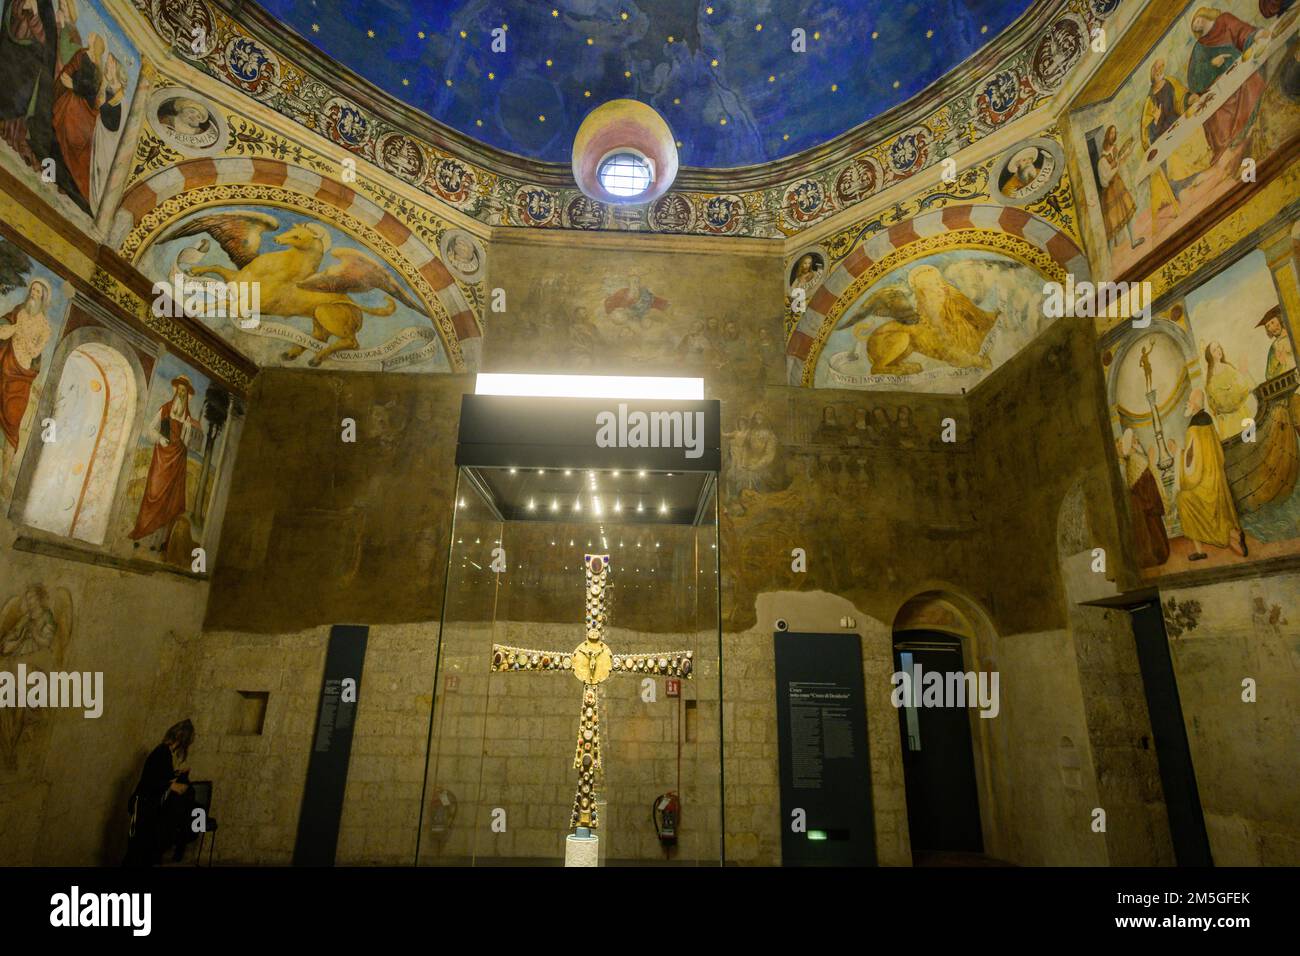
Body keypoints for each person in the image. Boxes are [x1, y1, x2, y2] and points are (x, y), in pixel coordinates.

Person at [1168, 387, 1247, 561]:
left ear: (1196, 404)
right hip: (1215, 481)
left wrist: (1176, 453)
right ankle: (1232, 535)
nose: (1187, 403)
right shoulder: (1208, 421)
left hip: (1203, 484)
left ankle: (1222, 539)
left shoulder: (1194, 428)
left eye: (1190, 400)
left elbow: (1192, 464)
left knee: (1183, 499)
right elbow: (1216, 453)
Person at [1187, 6, 1270, 164]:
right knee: (1213, 112)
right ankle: (1233, 145)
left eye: (1197, 19)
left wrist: (1256, 36)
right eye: (1194, 25)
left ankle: (1252, 125)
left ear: (1204, 14)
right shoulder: (1199, 47)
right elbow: (1194, 79)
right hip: (1219, 87)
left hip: (1239, 70)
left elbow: (1241, 32)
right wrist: (1212, 64)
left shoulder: (1224, 20)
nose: (1196, 24)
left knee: (1248, 82)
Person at [129, 375, 200, 551]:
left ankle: (160, 542)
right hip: (162, 456)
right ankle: (144, 535)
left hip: (178, 459)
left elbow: (186, 440)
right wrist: (160, 439)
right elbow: (149, 430)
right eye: (180, 391)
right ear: (176, 392)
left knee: (171, 499)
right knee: (155, 492)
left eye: (184, 392)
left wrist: (187, 439)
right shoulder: (165, 409)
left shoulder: (187, 417)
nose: (182, 394)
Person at [124, 719, 196, 866]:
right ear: (182, 740)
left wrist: (176, 774)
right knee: (136, 851)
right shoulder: (162, 752)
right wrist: (173, 786)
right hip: (143, 806)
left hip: (149, 807)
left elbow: (161, 775)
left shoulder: (165, 752)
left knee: (145, 852)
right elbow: (153, 781)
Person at [0, 278, 52, 482]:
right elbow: (3, 329)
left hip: (21, 376)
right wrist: (11, 330)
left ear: (43, 298)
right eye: (32, 290)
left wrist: (21, 336)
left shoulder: (45, 328)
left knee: (12, 422)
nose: (33, 294)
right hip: (4, 364)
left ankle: (3, 478)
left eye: (38, 292)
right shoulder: (18, 312)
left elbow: (35, 351)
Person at [1117, 428, 1171, 567]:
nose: (1136, 439)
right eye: (1133, 438)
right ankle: (1158, 555)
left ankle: (1161, 554)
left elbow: (1145, 477)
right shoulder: (1134, 459)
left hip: (1147, 500)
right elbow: (1141, 481)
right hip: (1145, 501)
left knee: (1154, 528)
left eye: (1135, 437)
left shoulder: (1136, 456)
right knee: (1151, 530)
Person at [1096, 126, 1144, 250]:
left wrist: (1126, 154)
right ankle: (1110, 258)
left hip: (1119, 187)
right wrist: (1116, 166)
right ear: (1107, 136)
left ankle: (1133, 241)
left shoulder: (1114, 151)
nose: (1113, 136)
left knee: (1128, 215)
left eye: (1114, 133)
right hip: (1110, 194)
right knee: (1113, 226)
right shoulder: (1101, 161)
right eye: (1110, 133)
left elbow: (1120, 160)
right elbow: (1104, 182)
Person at [1203, 341, 1253, 435]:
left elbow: (1241, 387)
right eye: (1214, 350)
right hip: (1226, 419)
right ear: (1210, 356)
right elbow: (1212, 402)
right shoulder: (1210, 378)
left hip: (1238, 413)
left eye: (1219, 347)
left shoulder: (1228, 368)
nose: (1219, 350)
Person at [1257, 304, 1295, 378]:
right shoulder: (1274, 347)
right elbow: (1269, 375)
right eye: (1268, 326)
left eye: (1272, 322)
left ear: (1279, 319)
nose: (1272, 328)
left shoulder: (1294, 333)